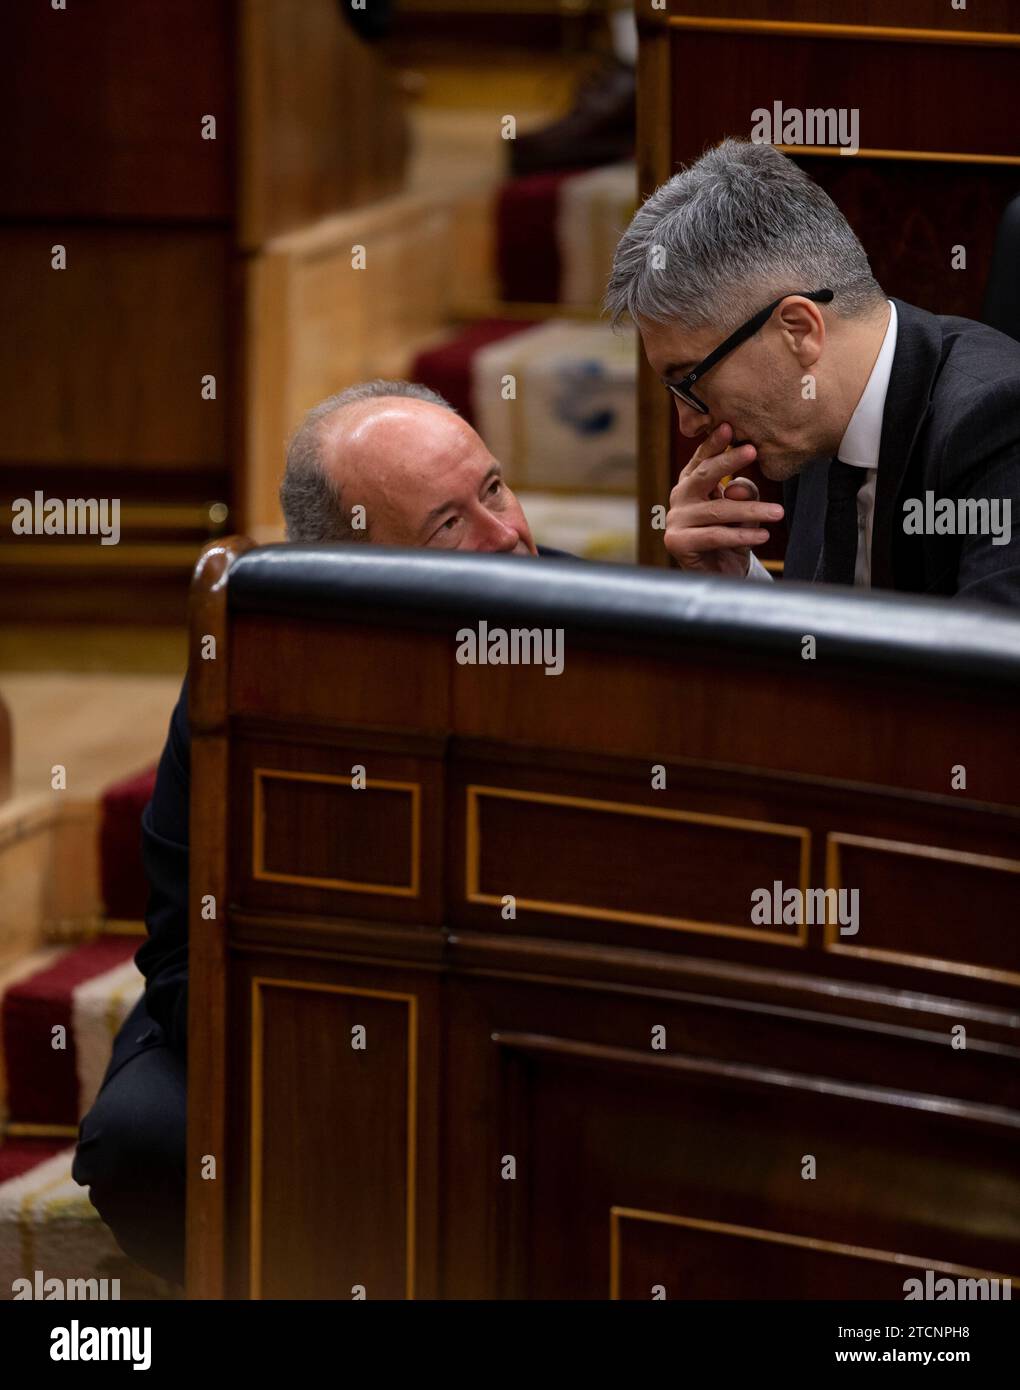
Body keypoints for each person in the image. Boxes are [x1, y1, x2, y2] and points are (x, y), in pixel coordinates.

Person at [72, 381, 572, 1286]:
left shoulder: (588, 621)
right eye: (446, 524)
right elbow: (185, 941)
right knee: (144, 1139)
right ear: (358, 569)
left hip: (521, 1020)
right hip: (299, 1013)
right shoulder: (251, 665)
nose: (506, 534)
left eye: (495, 488)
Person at [605, 139, 1020, 606]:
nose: (687, 422)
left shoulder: (999, 422)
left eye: (690, 381)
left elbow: (984, 674)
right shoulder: (810, 420)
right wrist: (734, 585)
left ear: (799, 331)